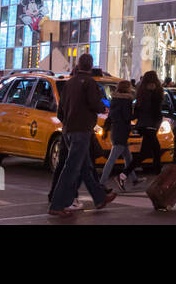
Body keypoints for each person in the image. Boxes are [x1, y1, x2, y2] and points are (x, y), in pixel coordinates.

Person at [49, 54, 116, 216]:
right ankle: (57, 205)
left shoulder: (69, 83)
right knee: (71, 168)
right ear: (91, 66)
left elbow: (61, 111)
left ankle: (99, 198)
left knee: (85, 167)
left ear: (78, 65)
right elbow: (95, 103)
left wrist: (67, 123)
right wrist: (104, 108)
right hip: (82, 131)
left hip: (68, 130)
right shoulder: (90, 83)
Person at [100, 79, 139, 191]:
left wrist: (106, 129)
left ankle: (134, 179)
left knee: (128, 157)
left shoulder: (114, 100)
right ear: (127, 88)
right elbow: (127, 117)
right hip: (122, 132)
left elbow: (110, 117)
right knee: (111, 160)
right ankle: (102, 183)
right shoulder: (126, 101)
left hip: (115, 130)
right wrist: (136, 114)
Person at [133, 70, 165, 174]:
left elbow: (137, 109)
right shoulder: (155, 92)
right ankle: (124, 173)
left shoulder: (141, 91)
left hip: (143, 123)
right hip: (151, 124)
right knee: (154, 150)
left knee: (148, 150)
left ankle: (124, 174)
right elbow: (156, 109)